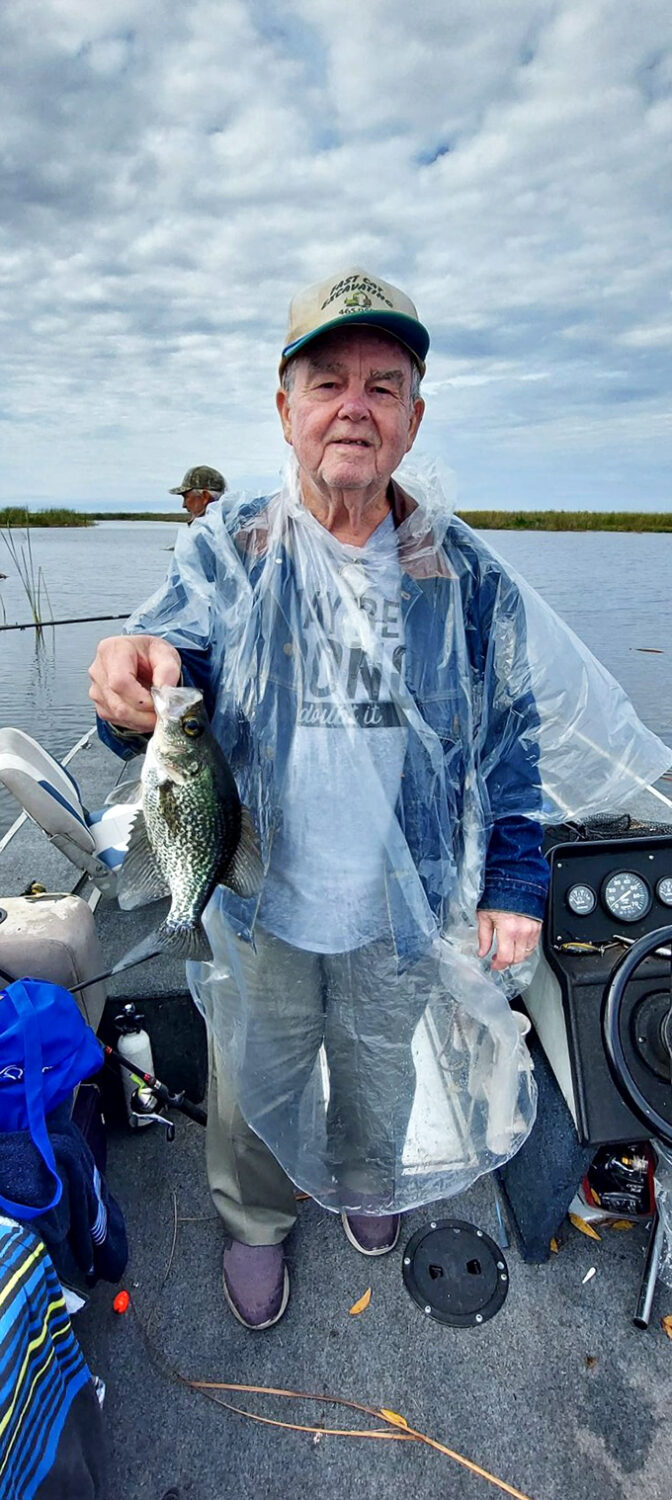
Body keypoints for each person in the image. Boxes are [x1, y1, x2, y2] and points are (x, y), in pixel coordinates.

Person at [90, 267, 667, 1333]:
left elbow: (508, 742)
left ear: (412, 420)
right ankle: (256, 1221)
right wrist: (136, 673)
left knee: (376, 1071)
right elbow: (172, 644)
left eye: (383, 383)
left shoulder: (466, 577)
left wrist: (516, 884)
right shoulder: (229, 546)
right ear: (285, 407)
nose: (353, 404)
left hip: (399, 914)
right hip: (256, 903)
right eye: (327, 379)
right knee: (251, 1081)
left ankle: (365, 1183)